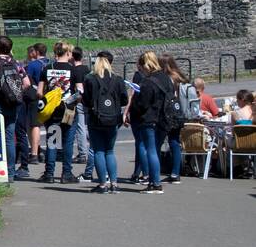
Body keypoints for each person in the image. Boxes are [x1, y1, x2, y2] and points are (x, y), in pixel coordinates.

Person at [82, 50, 128, 193]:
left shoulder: (90, 79)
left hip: (96, 118)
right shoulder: (118, 79)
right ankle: (114, 183)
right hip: (113, 118)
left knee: (98, 151)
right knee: (110, 151)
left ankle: (102, 184)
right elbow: (124, 100)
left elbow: (86, 100)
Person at [126, 51, 168, 193]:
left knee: (150, 150)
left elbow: (142, 104)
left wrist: (134, 104)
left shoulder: (148, 81)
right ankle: (155, 181)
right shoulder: (165, 78)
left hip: (150, 119)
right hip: (164, 118)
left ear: (146, 64)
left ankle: (155, 182)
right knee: (155, 149)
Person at [38, 41, 80, 184]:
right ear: (68, 53)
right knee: (68, 142)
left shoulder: (47, 68)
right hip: (68, 110)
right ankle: (66, 174)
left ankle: (49, 173)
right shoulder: (73, 70)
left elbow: (39, 92)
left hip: (53, 111)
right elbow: (80, 92)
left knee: (52, 142)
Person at [0, 35, 24, 182]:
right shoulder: (17, 63)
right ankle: (11, 173)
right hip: (13, 104)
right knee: (9, 138)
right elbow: (26, 83)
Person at [160, 56, 192, 184]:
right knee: (175, 142)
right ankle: (175, 172)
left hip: (169, 113)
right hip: (180, 113)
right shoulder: (180, 77)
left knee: (160, 142)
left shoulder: (168, 78)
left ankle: (167, 172)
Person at [70, 46, 94, 181]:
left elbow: (79, 89)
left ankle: (82, 153)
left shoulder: (76, 70)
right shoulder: (87, 69)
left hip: (80, 101)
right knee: (86, 126)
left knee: (80, 127)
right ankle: (87, 150)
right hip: (89, 101)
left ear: (73, 57)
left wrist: (72, 100)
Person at [25, 43, 48, 171]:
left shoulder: (32, 66)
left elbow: (27, 82)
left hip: (35, 97)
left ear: (36, 52)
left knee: (33, 125)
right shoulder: (50, 63)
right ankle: (52, 152)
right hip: (50, 98)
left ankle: (34, 153)